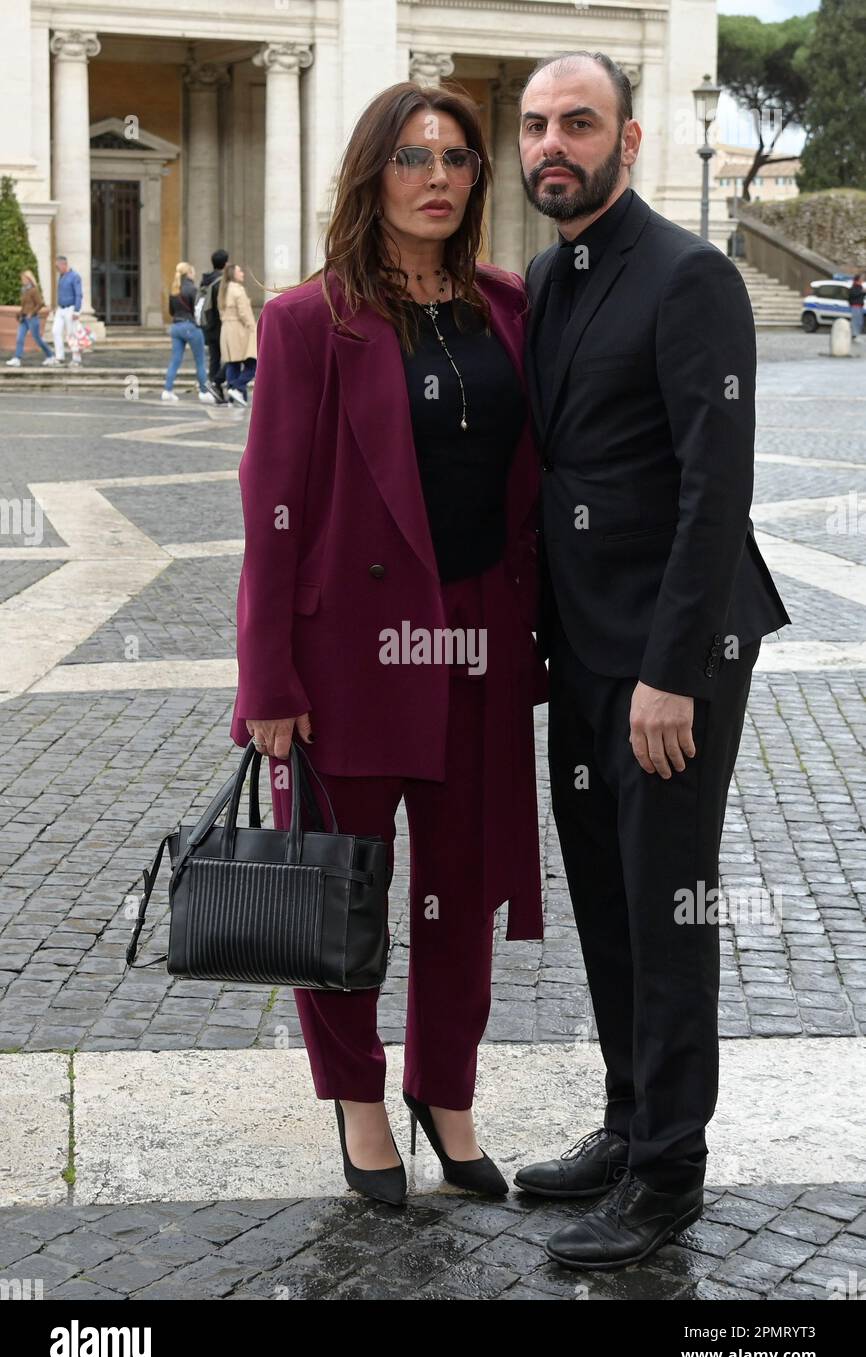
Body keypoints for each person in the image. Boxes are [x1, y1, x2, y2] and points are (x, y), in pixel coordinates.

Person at [228, 81, 548, 1207]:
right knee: (339, 893)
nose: (439, 178)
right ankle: (361, 1105)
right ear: (373, 174)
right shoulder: (308, 320)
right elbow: (271, 504)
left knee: (458, 892)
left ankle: (444, 1095)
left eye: (458, 158)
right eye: (413, 157)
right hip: (347, 658)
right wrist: (266, 675)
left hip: (476, 646)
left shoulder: (511, 305)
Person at [512, 51, 791, 1270]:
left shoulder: (690, 276)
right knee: (605, 899)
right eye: (531, 127)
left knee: (666, 908)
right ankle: (627, 1123)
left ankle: (668, 1169)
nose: (548, 147)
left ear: (627, 143)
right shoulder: (545, 274)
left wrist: (670, 670)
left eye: (576, 124)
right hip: (579, 652)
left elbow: (711, 484)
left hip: (673, 656)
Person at [162, 261, 212, 403]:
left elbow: (171, 311)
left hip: (176, 327)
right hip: (190, 326)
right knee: (200, 361)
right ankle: (204, 392)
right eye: (193, 271)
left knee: (175, 360)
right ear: (189, 273)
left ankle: (167, 390)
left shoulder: (174, 290)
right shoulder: (192, 289)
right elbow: (197, 311)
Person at [218, 265, 257, 405]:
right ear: (233, 274)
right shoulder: (237, 290)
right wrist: (253, 327)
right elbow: (244, 313)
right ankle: (236, 388)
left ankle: (232, 398)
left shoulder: (224, 290)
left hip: (227, 329)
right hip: (239, 330)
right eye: (239, 271)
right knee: (253, 364)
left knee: (233, 364)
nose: (242, 273)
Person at [5, 270, 54, 366]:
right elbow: (25, 306)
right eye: (22, 278)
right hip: (24, 318)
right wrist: (20, 313)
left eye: (24, 278)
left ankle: (50, 356)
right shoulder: (24, 290)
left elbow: (40, 304)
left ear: (29, 279)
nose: (22, 280)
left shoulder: (34, 290)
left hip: (32, 318)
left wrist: (32, 313)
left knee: (37, 339)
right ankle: (17, 359)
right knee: (19, 338)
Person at [200, 249, 229, 401]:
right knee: (233, 358)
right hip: (221, 326)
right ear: (225, 263)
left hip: (208, 326)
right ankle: (217, 383)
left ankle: (216, 390)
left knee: (214, 358)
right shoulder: (222, 282)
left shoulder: (205, 280)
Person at [52, 256, 82, 366]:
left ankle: (76, 358)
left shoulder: (75, 277)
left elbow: (78, 294)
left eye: (58, 266)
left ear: (64, 264)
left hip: (71, 308)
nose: (57, 269)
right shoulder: (62, 276)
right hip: (61, 308)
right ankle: (59, 357)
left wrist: (77, 311)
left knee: (71, 333)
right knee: (56, 331)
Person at [849, 272, 865, 339]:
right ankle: (853, 333)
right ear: (858, 279)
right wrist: (862, 292)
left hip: (860, 306)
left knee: (859, 321)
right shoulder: (854, 286)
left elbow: (860, 296)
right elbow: (853, 295)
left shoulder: (860, 286)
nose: (863, 279)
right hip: (855, 306)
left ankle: (855, 333)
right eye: (862, 278)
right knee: (855, 320)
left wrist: (863, 293)